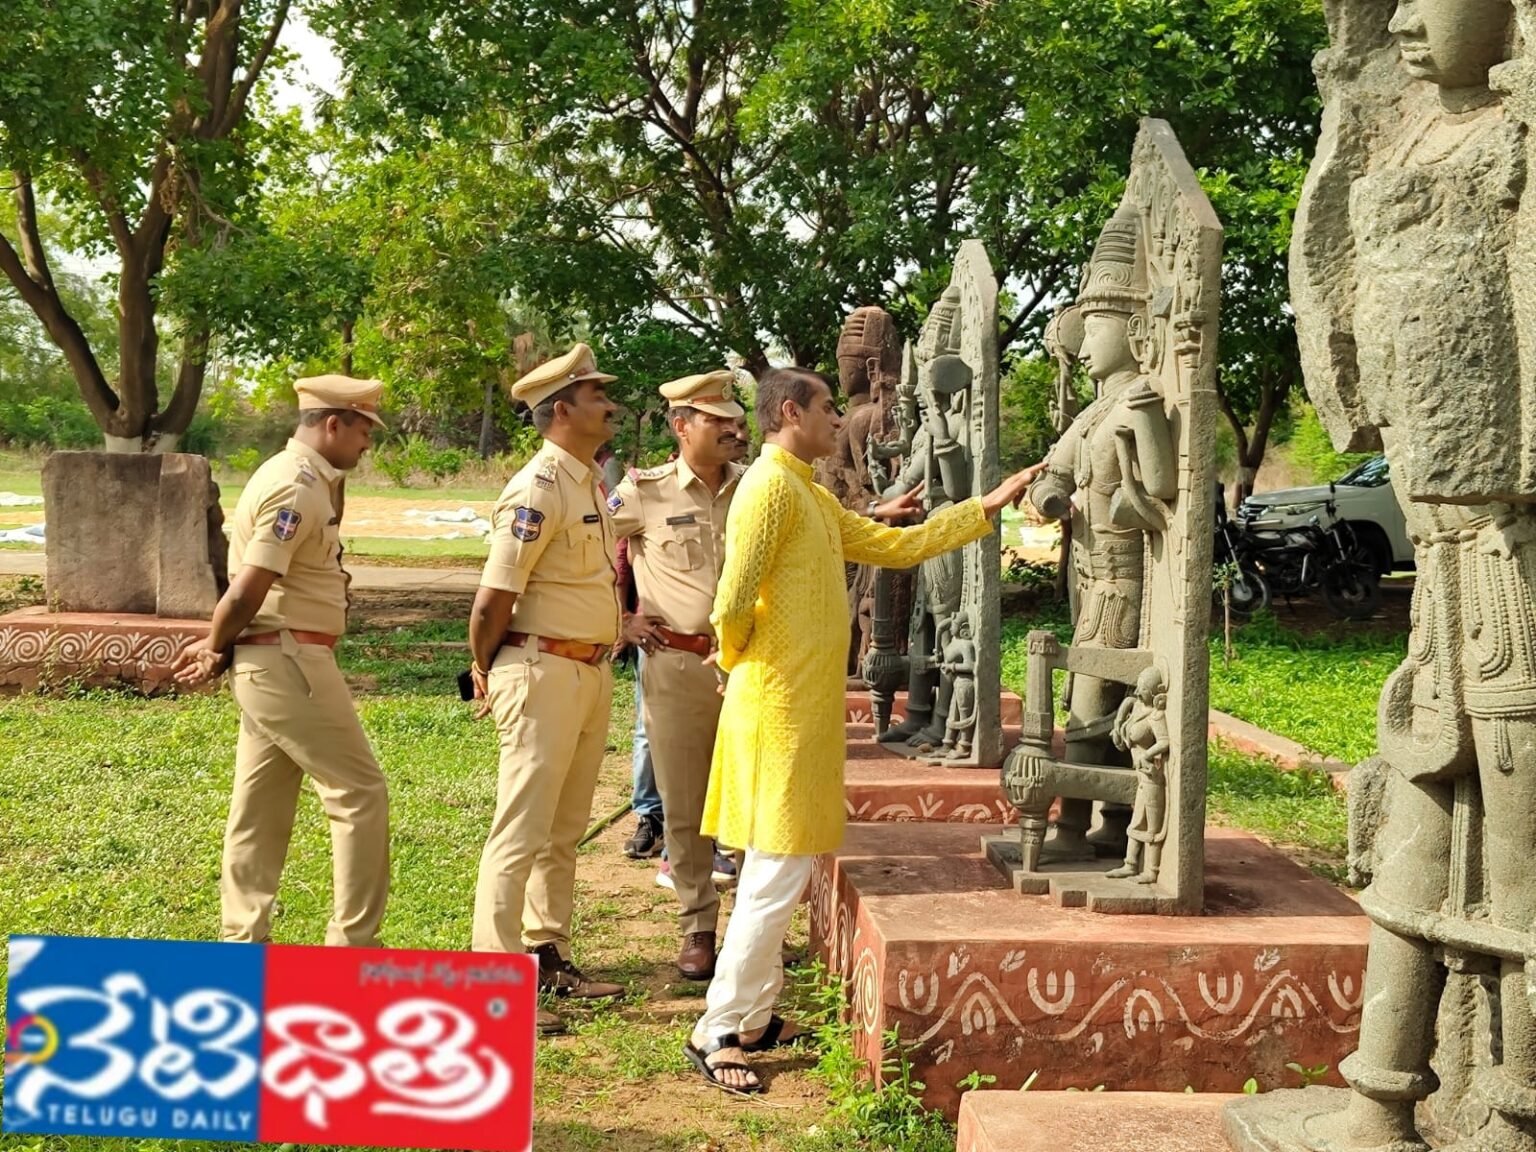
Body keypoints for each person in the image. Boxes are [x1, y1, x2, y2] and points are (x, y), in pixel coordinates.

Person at [684, 367, 1042, 1092]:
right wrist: (738, 658)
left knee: (772, 870)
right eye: (823, 410)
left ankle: (754, 1016)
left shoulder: (807, 492)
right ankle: (718, 1028)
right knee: (774, 874)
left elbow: (893, 545)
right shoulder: (769, 487)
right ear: (792, 412)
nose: (835, 423)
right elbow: (729, 600)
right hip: (775, 707)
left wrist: (985, 506)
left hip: (798, 710)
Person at [173, 374, 390, 948]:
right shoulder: (297, 486)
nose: (368, 443)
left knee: (259, 810)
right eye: (365, 429)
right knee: (360, 795)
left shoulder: (296, 477)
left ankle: (242, 941)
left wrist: (226, 648)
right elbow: (249, 586)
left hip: (274, 660)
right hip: (290, 660)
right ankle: (352, 950)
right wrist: (215, 644)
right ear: (334, 424)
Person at [466, 342, 626, 1036]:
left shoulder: (587, 480)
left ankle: (544, 951)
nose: (609, 404)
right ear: (562, 410)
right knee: (521, 831)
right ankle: (493, 988)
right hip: (540, 669)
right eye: (596, 396)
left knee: (563, 830)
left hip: (587, 671)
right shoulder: (537, 487)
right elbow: (493, 597)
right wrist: (484, 667)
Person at [606, 370, 750, 979]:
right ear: (682, 425)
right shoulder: (644, 492)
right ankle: (699, 925)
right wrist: (620, 619)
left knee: (754, 800)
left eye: (739, 423)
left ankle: (751, 934)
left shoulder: (755, 489)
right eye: (720, 422)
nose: (735, 433)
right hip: (678, 667)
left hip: (750, 668)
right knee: (686, 803)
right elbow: (581, 549)